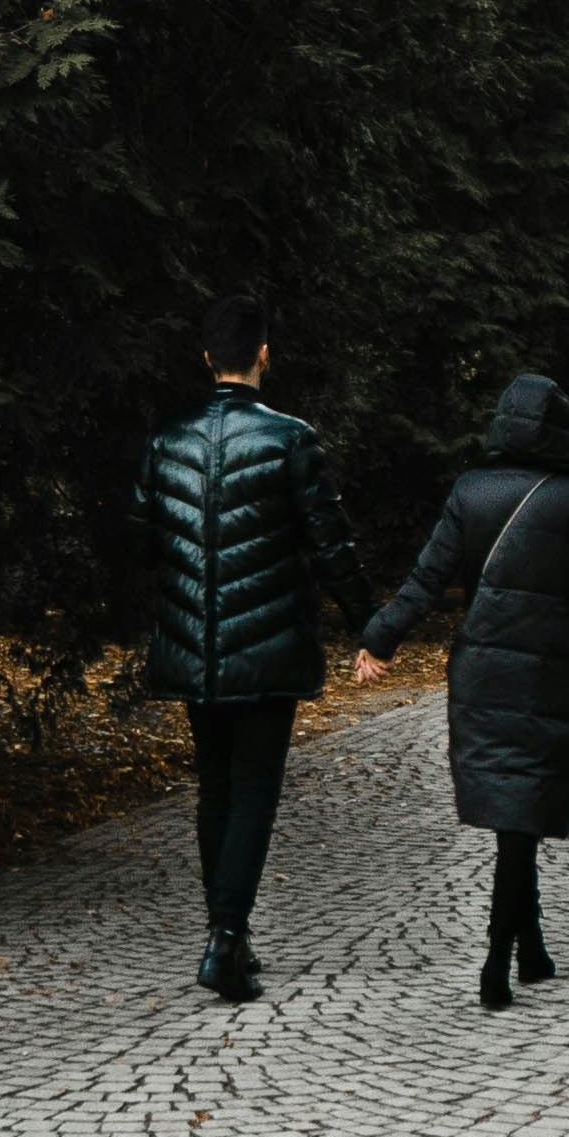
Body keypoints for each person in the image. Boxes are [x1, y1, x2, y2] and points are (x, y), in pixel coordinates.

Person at [134, 295, 376, 1005]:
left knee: (215, 787)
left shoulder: (165, 438)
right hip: (267, 647)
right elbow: (330, 543)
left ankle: (225, 934)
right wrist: (371, 623)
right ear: (263, 354)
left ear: (206, 357)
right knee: (254, 792)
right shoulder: (290, 438)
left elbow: (141, 537)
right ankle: (227, 937)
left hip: (192, 642)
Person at [354, 372, 569, 1011]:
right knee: (521, 812)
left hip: (482, 674)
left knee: (511, 814)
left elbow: (426, 579)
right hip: (550, 671)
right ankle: (498, 962)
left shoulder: (471, 491)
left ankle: (530, 949)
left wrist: (378, 638)